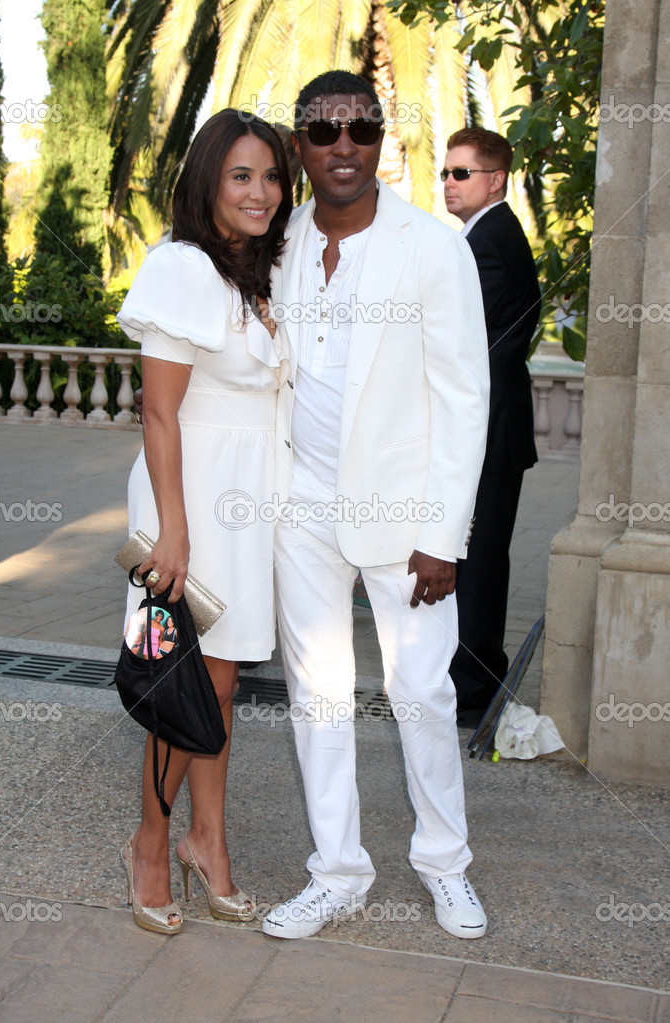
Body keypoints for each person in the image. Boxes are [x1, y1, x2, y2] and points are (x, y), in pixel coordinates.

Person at [261, 71, 490, 942]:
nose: (343, 145)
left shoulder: (433, 249)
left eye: (360, 127)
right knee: (316, 694)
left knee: (422, 692)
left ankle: (446, 865)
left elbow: (466, 399)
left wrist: (443, 537)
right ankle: (337, 873)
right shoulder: (275, 243)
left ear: (383, 136)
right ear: (300, 146)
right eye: (323, 132)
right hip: (300, 508)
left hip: (404, 520)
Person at [116, 108, 292, 935]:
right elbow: (159, 412)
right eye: (241, 176)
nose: (263, 192)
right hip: (189, 496)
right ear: (207, 183)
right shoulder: (183, 267)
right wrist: (174, 530)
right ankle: (151, 845)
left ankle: (207, 841)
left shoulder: (256, 276)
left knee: (222, 680)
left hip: (247, 501)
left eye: (270, 176)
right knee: (188, 680)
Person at [442, 128, 541, 724]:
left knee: (477, 562)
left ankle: (474, 690)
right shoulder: (488, 235)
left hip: (489, 430)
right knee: (478, 558)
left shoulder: (490, 241)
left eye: (461, 174)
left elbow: (462, 345)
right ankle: (474, 680)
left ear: (495, 179)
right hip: (492, 427)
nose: (448, 184)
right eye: (447, 173)